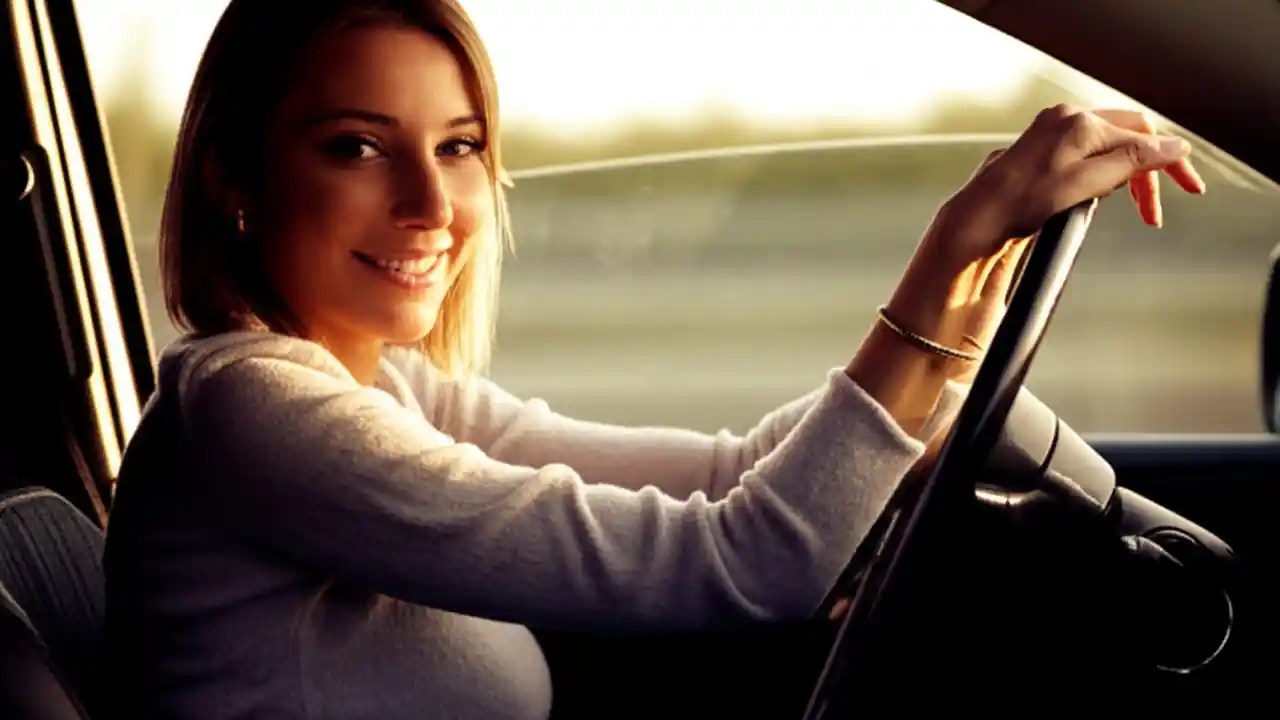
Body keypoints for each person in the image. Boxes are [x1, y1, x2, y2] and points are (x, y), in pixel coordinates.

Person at [101, 1, 1207, 718]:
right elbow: (744, 561)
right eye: (356, 147)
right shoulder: (250, 413)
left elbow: (727, 475)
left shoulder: (384, 389)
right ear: (231, 178)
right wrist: (947, 251)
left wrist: (966, 301)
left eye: (458, 147)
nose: (431, 204)